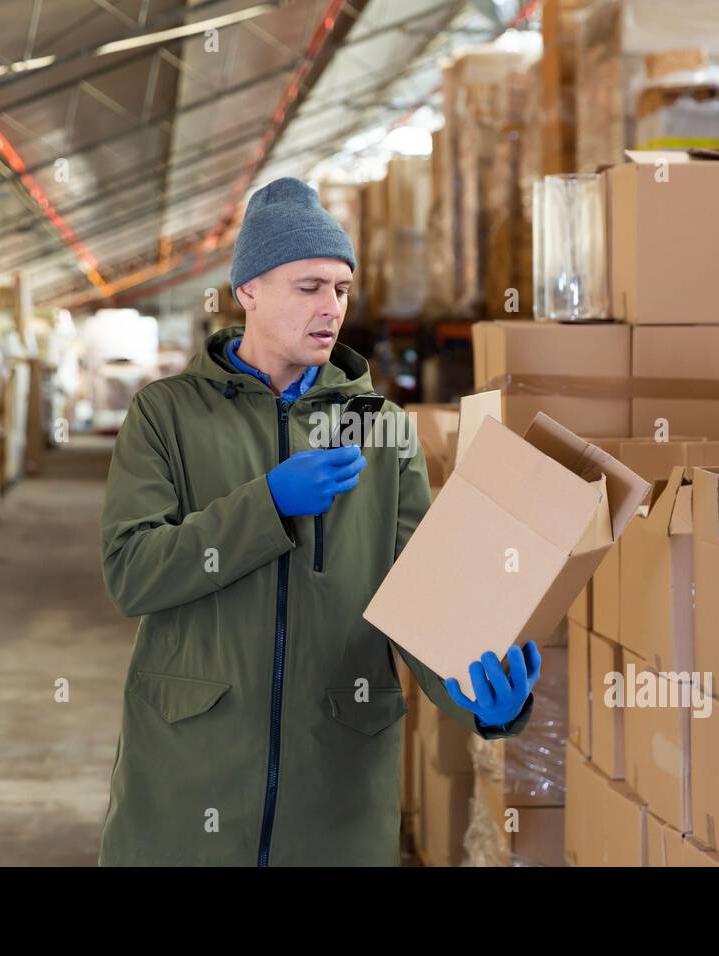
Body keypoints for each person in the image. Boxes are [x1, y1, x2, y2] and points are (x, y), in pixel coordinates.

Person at [98, 177, 541, 866]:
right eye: (308, 287)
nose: (330, 307)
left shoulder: (384, 433)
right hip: (192, 770)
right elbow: (132, 574)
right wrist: (265, 505)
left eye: (340, 288)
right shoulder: (168, 415)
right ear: (248, 289)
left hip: (336, 779)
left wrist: (480, 700)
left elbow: (424, 595)